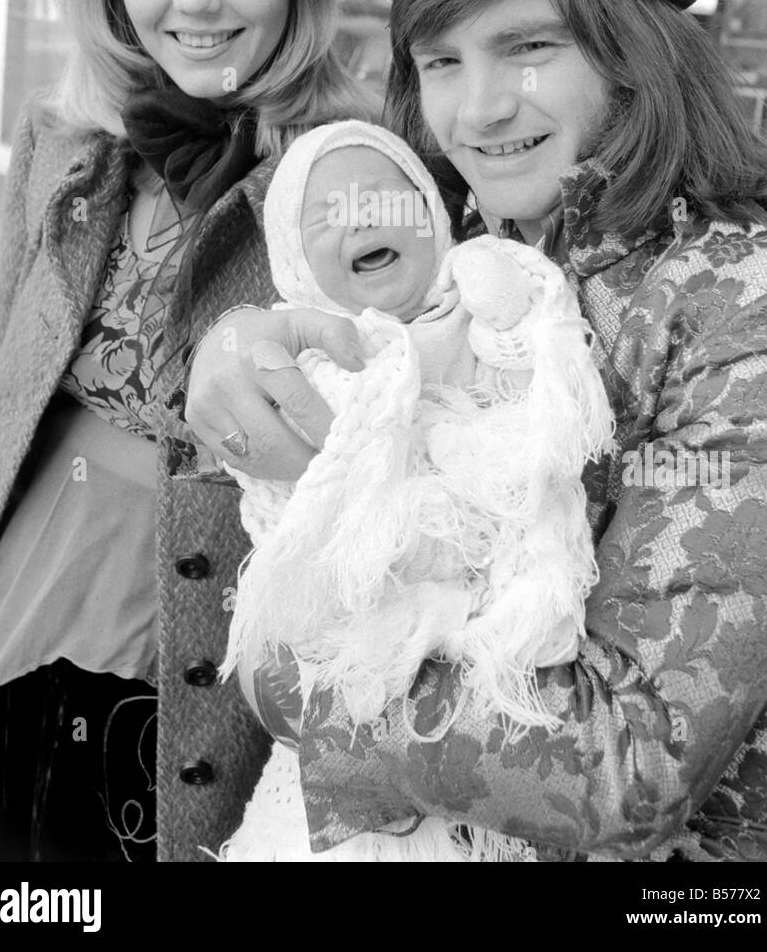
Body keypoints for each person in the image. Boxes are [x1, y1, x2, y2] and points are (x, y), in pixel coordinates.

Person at [185, 0, 767, 863]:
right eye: (441, 60)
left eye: (527, 46)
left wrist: (322, 690)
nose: (477, 111)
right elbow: (283, 600)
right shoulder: (451, 268)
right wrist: (236, 349)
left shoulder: (756, 312)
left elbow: (632, 763)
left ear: (632, 54)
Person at [0, 0, 373, 862]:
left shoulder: (350, 175)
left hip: (189, 674)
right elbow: (9, 394)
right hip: (10, 610)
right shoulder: (68, 147)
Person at [216, 118, 611, 861]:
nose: (363, 217)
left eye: (386, 198)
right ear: (295, 260)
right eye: (327, 214)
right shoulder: (300, 375)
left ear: (432, 213)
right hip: (360, 704)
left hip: (505, 710)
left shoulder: (494, 315)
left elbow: (544, 412)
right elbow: (306, 535)